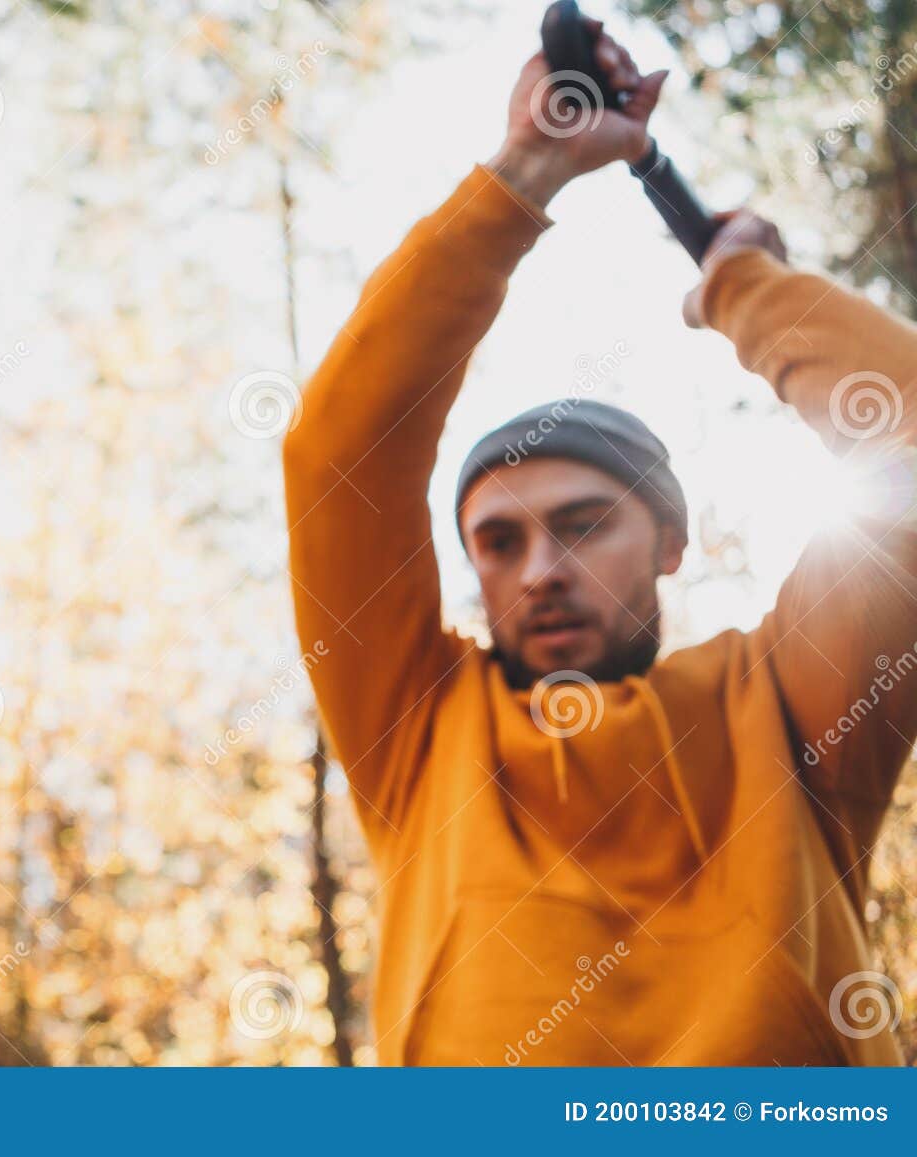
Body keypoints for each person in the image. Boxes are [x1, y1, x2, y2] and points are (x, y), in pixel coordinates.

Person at [283, 30, 917, 1065]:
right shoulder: (418, 728)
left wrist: (742, 285)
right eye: (497, 540)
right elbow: (336, 453)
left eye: (582, 523)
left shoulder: (791, 702)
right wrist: (526, 168)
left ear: (668, 541)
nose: (537, 569)